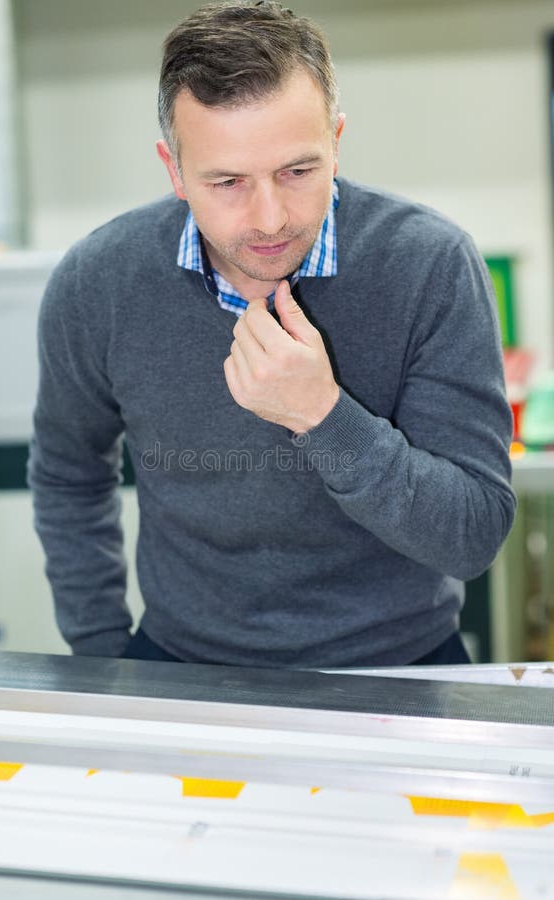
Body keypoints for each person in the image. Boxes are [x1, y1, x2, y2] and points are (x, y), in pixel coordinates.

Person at [28, 0, 516, 668]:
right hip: (178, 661)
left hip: (399, 664)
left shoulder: (428, 265)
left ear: (337, 141)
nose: (269, 218)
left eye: (298, 171)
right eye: (227, 181)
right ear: (174, 170)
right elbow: (67, 476)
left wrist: (323, 414)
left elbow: (472, 535)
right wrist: (103, 652)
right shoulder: (98, 282)